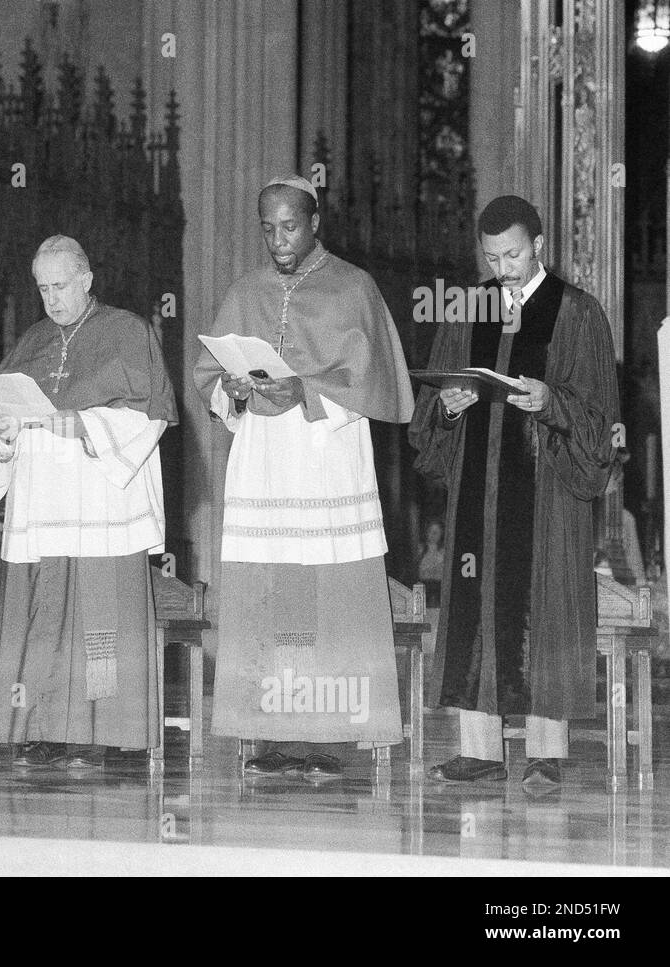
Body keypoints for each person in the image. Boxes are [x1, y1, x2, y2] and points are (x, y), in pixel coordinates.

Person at [194, 175, 414, 782]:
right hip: (263, 459)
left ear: (314, 221)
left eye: (289, 226)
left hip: (326, 455)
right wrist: (231, 392)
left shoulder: (354, 287)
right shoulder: (245, 290)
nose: (278, 240)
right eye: (267, 228)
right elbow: (209, 375)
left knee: (331, 594)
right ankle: (267, 730)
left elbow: (375, 384)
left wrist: (306, 389)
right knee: (268, 592)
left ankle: (334, 733)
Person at [410, 194, 620, 787]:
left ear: (539, 247)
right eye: (492, 255)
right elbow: (431, 413)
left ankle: (547, 753)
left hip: (547, 492)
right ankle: (479, 749)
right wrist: (450, 408)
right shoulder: (467, 308)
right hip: (479, 491)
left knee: (544, 604)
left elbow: (600, 416)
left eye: (514, 254)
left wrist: (550, 401)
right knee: (476, 598)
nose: (502, 268)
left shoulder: (576, 312)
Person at [0, 234, 177, 769]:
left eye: (61, 286)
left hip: (99, 504)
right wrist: (4, 435)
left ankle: (103, 728)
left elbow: (147, 417)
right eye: (43, 288)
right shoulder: (33, 340)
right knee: (44, 620)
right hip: (42, 506)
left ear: (86, 279)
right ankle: (41, 726)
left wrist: (78, 423)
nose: (52, 299)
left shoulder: (129, 332)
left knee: (99, 621)